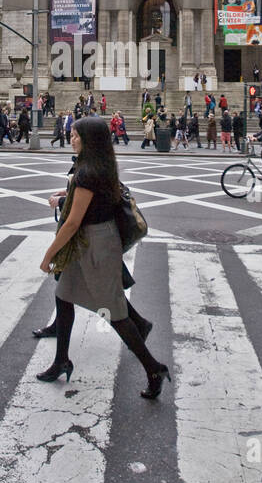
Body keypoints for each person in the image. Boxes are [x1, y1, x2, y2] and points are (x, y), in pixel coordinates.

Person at [37, 117, 169, 399]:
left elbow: (72, 223)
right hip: (92, 241)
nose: (71, 138)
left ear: (88, 140)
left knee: (115, 315)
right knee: (63, 295)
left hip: (95, 245)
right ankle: (62, 359)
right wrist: (68, 192)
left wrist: (49, 254)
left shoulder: (86, 173)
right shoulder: (102, 166)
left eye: (75, 135)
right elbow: (90, 199)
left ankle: (154, 367)